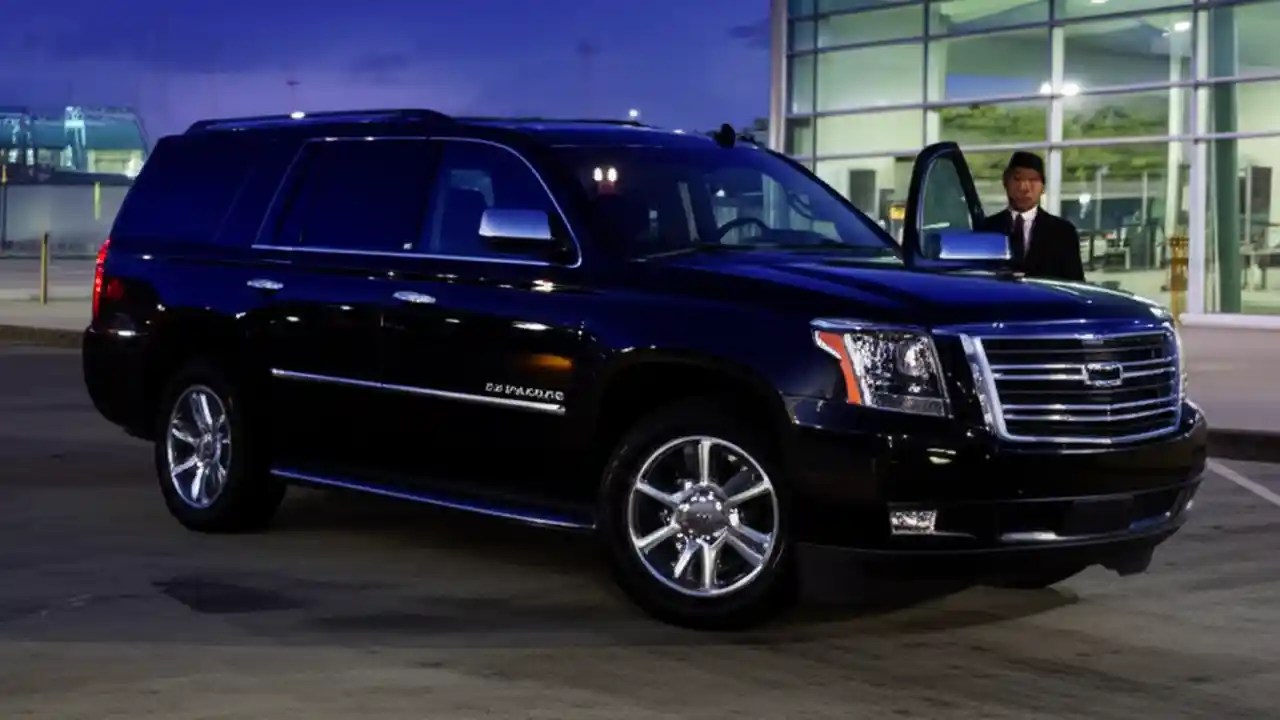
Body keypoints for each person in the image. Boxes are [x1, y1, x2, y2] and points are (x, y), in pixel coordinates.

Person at [978, 151, 1085, 282]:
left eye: (1033, 180)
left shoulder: (1062, 232)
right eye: (1017, 179)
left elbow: (1075, 284)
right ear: (1005, 182)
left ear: (1043, 187)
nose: (1024, 187)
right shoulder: (985, 229)